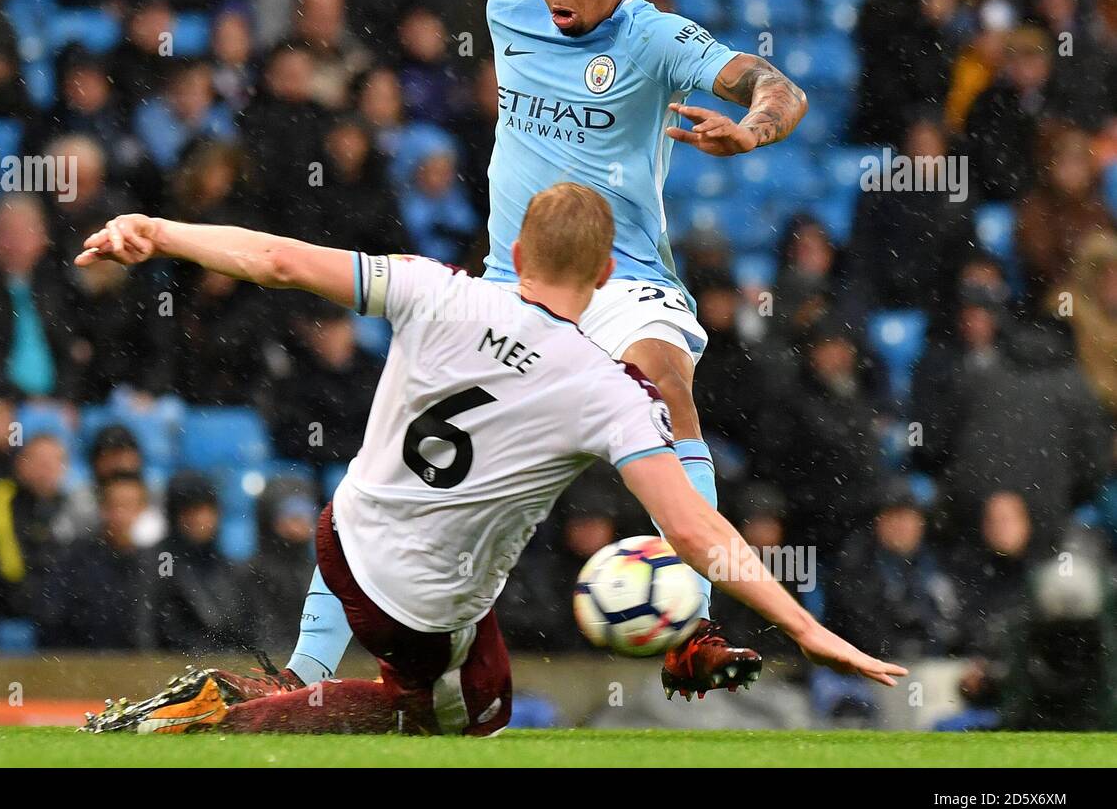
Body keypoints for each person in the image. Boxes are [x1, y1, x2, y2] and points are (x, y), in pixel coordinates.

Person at [75, 183, 903, 735]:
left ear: (516, 248)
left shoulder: (434, 286)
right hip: (416, 605)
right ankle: (230, 715)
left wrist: (159, 232)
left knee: (443, 651)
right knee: (466, 716)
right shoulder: (606, 388)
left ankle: (260, 695)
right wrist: (803, 624)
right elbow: (690, 525)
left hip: (342, 539)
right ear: (608, 272)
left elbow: (280, 261)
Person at [265, 0, 812, 703]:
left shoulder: (659, 39)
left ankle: (692, 630)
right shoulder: (505, 9)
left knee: (665, 382)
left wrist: (754, 126)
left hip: (622, 276)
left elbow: (779, 86)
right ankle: (300, 673)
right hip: (511, 283)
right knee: (393, 466)